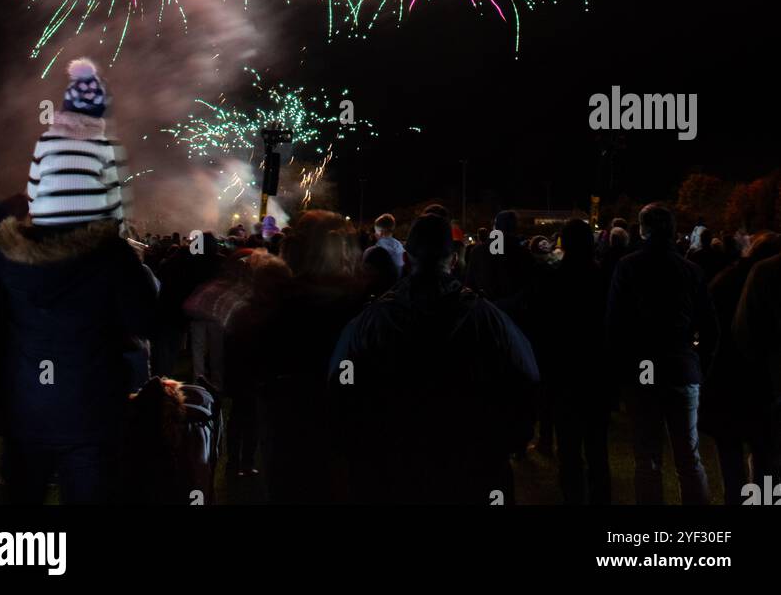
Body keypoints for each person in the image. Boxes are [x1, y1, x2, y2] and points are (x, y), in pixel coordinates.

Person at [328, 214, 539, 505]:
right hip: (471, 472)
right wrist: (503, 441)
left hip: (394, 473)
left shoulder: (371, 320)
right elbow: (525, 378)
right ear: (453, 261)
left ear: (407, 259)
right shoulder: (487, 318)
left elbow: (340, 388)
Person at [0, 192, 156, 504]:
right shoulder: (110, 254)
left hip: (28, 405)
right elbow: (146, 321)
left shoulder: (15, 254)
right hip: (90, 407)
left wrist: (16, 201)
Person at [607, 202, 719, 505]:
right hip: (681, 365)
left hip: (643, 367)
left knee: (647, 458)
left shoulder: (628, 266)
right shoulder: (690, 270)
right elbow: (710, 327)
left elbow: (615, 323)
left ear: (642, 230)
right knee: (688, 458)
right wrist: (698, 362)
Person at [256, 210, 364, 504]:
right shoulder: (356, 301)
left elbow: (260, 364)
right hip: (333, 422)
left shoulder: (279, 299)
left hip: (288, 422)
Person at [700, 233, 781, 503]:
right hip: (762, 384)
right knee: (766, 458)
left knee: (731, 457)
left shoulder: (724, 281)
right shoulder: (767, 280)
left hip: (727, 381)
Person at [543, 219, 611, 504]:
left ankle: (574, 495)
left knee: (569, 449)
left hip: (564, 375)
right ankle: (600, 496)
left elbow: (545, 330)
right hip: (597, 375)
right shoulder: (605, 278)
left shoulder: (553, 279)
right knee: (597, 447)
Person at [26, 59, 129, 227]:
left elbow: (32, 192)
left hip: (47, 225)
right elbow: (114, 195)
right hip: (90, 227)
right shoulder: (102, 145)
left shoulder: (46, 140)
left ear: (66, 105)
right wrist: (119, 229)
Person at [733, 247, 781, 485]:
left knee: (767, 463)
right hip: (770, 384)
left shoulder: (765, 272)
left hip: (771, 385)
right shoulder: (764, 272)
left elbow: (744, 333)